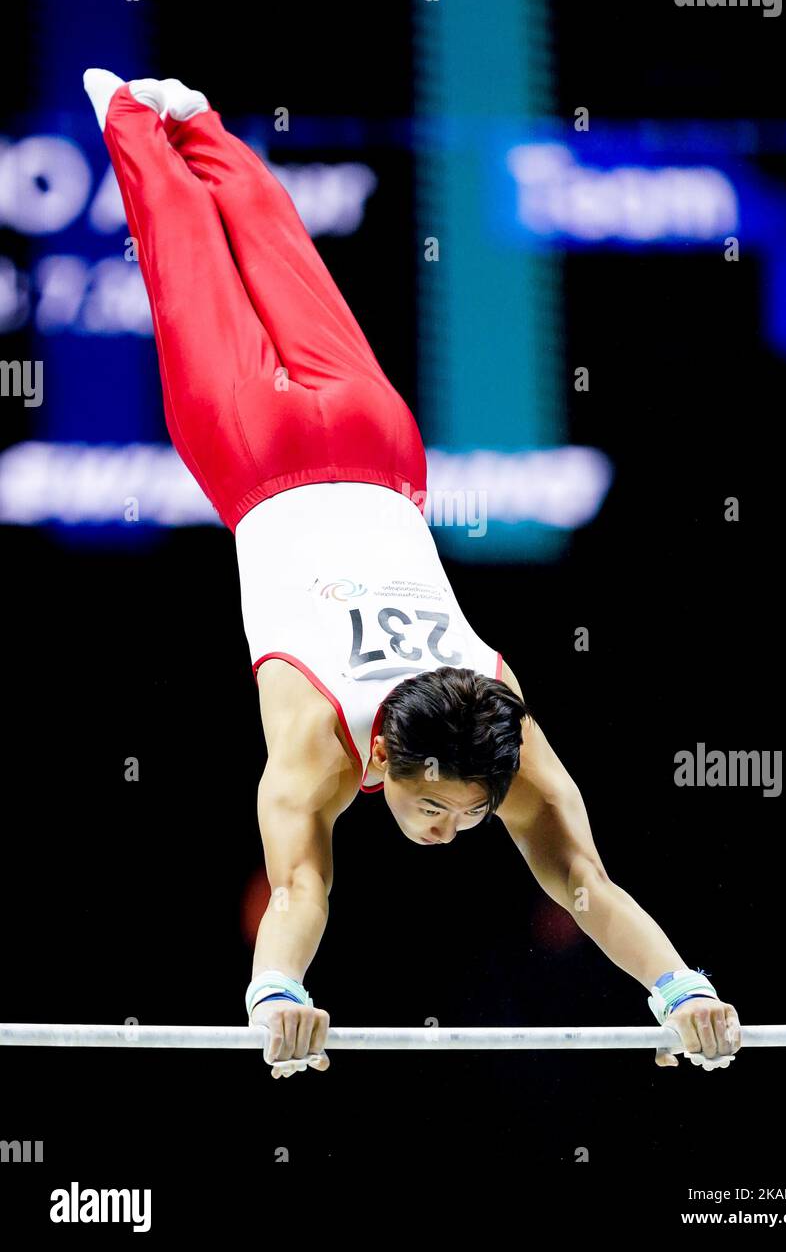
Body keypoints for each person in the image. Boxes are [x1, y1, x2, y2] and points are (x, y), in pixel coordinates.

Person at [83, 69, 741, 1079]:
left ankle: (190, 117)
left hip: (387, 453)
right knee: (194, 277)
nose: (451, 829)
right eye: (442, 808)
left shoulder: (494, 729)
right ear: (380, 752)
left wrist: (682, 990)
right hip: (261, 461)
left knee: (284, 264)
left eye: (464, 813)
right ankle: (141, 117)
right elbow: (301, 892)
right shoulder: (316, 741)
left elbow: (581, 888)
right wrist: (273, 992)